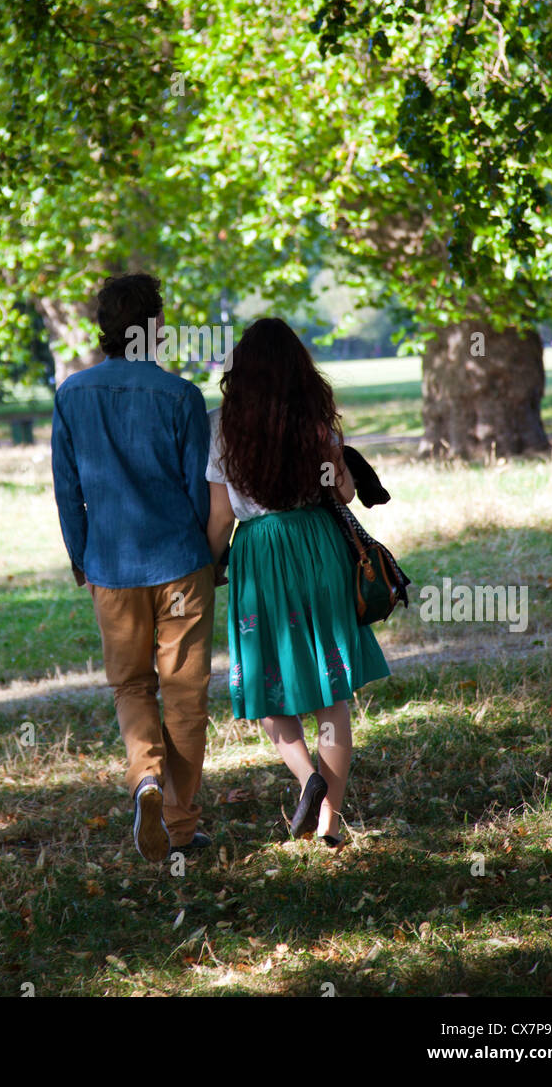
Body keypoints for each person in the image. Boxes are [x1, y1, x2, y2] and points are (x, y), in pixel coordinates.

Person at [205, 317, 391, 845]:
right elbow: (346, 496)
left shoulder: (222, 427)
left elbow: (221, 518)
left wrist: (209, 567)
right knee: (331, 692)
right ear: (298, 369)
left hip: (260, 555)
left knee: (269, 688)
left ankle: (306, 776)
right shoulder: (316, 423)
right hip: (318, 548)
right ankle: (330, 824)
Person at [51, 273, 216, 864]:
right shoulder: (182, 396)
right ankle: (179, 823)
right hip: (180, 561)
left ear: (104, 328)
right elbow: (202, 490)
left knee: (130, 686)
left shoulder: (72, 395)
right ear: (157, 328)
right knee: (186, 694)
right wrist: (209, 557)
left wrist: (82, 558)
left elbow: (68, 492)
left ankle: (144, 777)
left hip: (112, 567)